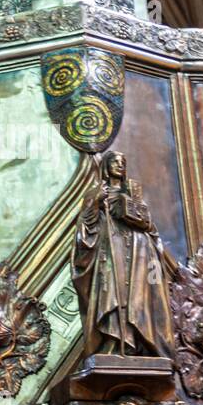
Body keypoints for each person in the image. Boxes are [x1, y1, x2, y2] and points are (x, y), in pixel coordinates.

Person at [71, 150, 175, 358]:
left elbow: (148, 224)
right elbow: (84, 228)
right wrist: (96, 203)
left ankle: (137, 342)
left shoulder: (132, 193)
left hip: (137, 251)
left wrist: (136, 217)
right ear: (106, 167)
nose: (119, 165)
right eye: (115, 161)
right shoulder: (95, 192)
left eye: (122, 162)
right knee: (110, 293)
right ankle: (111, 344)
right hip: (109, 249)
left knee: (136, 296)